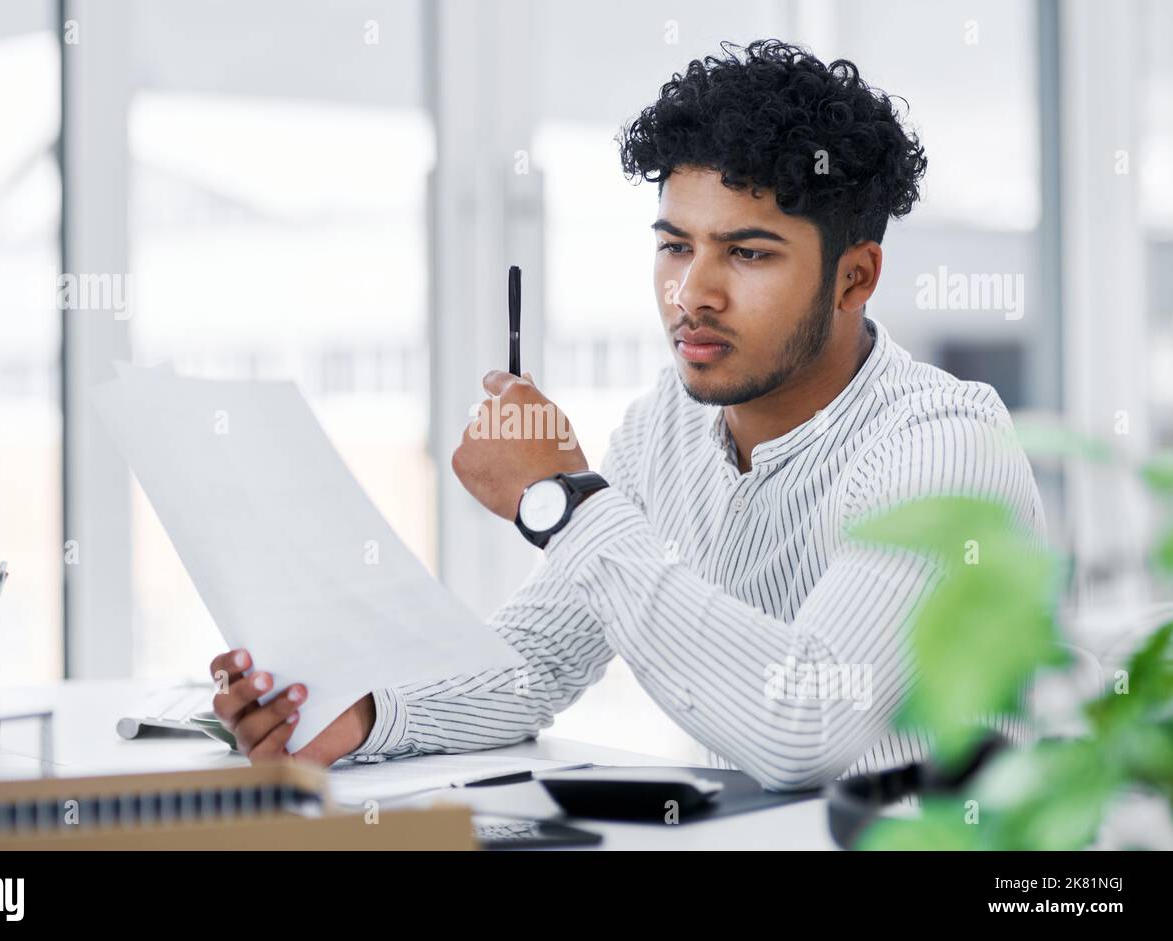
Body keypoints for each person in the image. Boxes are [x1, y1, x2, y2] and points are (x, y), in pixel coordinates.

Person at [210, 39, 1044, 791]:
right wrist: (360, 716)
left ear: (855, 278)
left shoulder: (943, 442)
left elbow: (804, 724)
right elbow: (536, 661)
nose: (693, 294)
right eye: (676, 246)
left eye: (747, 253)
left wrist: (561, 500)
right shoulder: (664, 426)